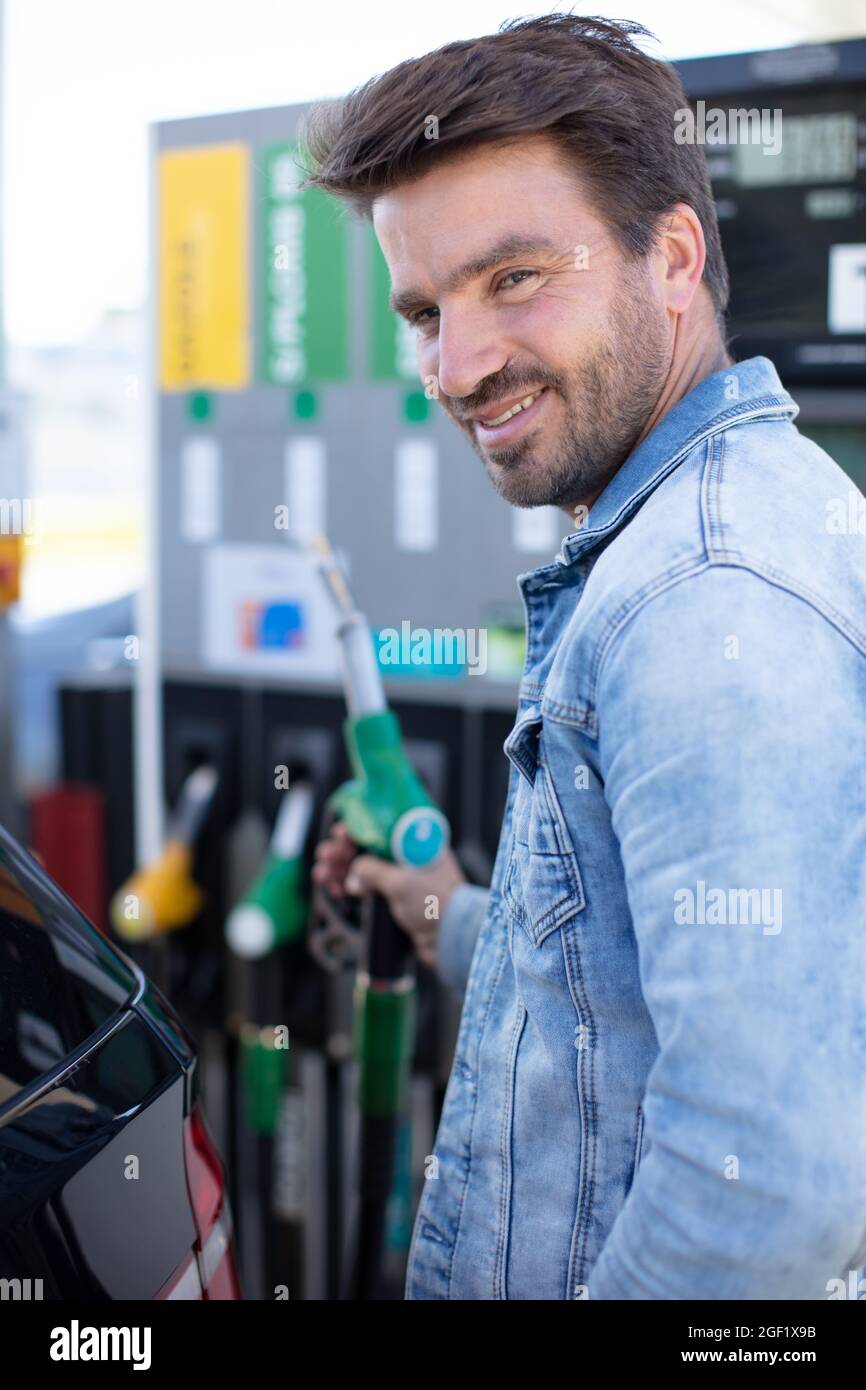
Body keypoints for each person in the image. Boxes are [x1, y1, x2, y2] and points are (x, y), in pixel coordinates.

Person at [307, 15, 866, 1299]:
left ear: (669, 257)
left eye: (512, 279)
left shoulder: (699, 595)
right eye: (424, 310)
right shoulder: (732, 519)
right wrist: (443, 903)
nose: (458, 366)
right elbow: (612, 1014)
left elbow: (763, 1194)